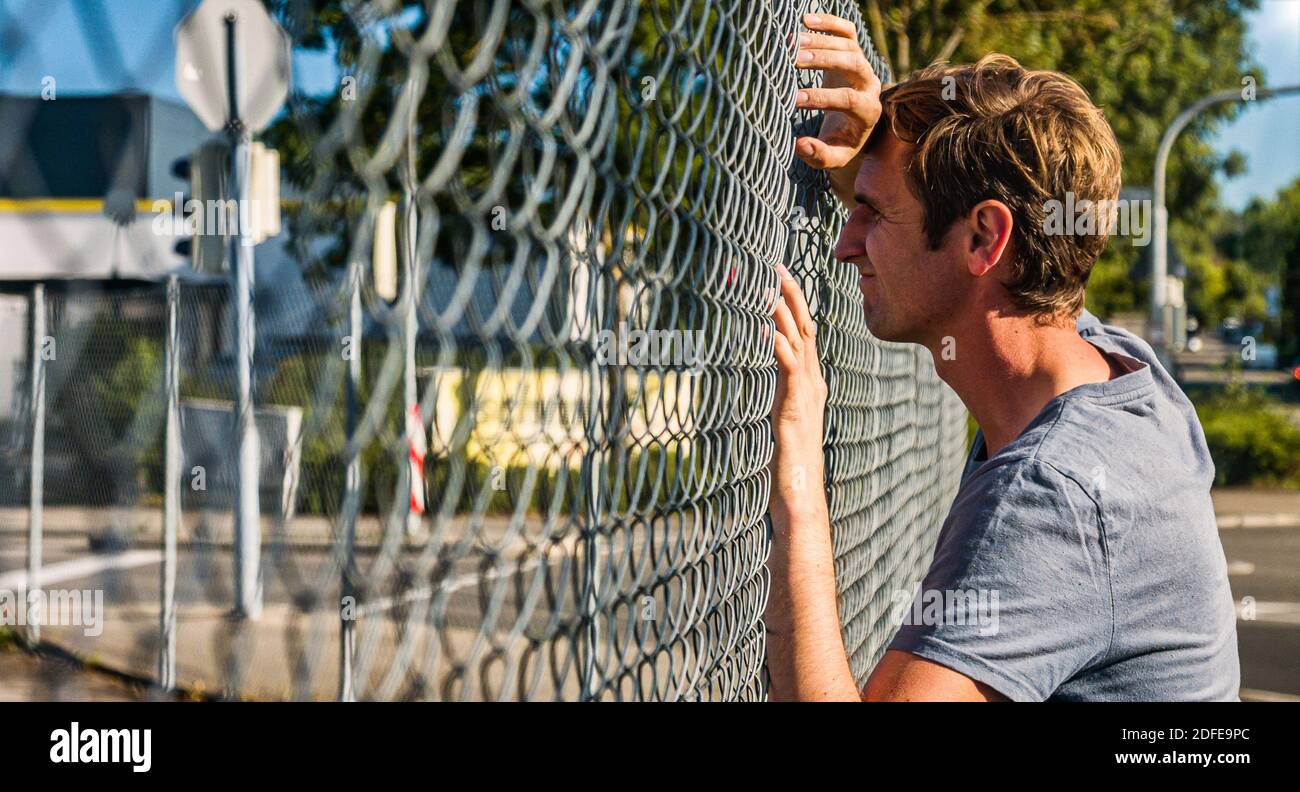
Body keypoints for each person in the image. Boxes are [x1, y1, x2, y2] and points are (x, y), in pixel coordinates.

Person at [765, 13, 1240, 701]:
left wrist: (799, 474)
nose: (846, 243)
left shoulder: (1051, 497)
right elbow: (934, 235)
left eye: (874, 213)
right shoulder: (1119, 373)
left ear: (986, 237)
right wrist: (884, 155)